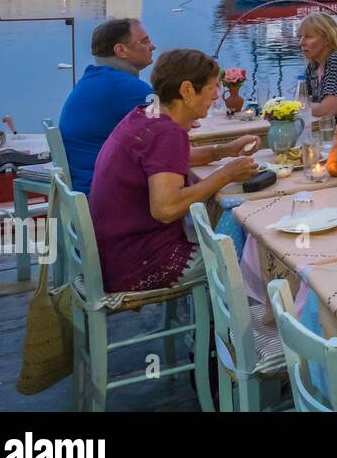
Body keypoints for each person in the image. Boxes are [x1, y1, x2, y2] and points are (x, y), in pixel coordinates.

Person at [88, 50, 260, 293]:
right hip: (141, 262)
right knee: (249, 250)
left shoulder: (145, 116)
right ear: (188, 89)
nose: (216, 96)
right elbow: (166, 209)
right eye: (212, 88)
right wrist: (226, 175)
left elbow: (164, 161)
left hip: (113, 252)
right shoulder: (166, 133)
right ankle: (242, 323)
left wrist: (225, 150)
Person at [58, 18, 157, 195]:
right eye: (145, 41)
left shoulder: (93, 78)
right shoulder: (129, 88)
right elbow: (165, 135)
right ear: (120, 50)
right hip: (106, 196)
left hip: (83, 187)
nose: (152, 47)